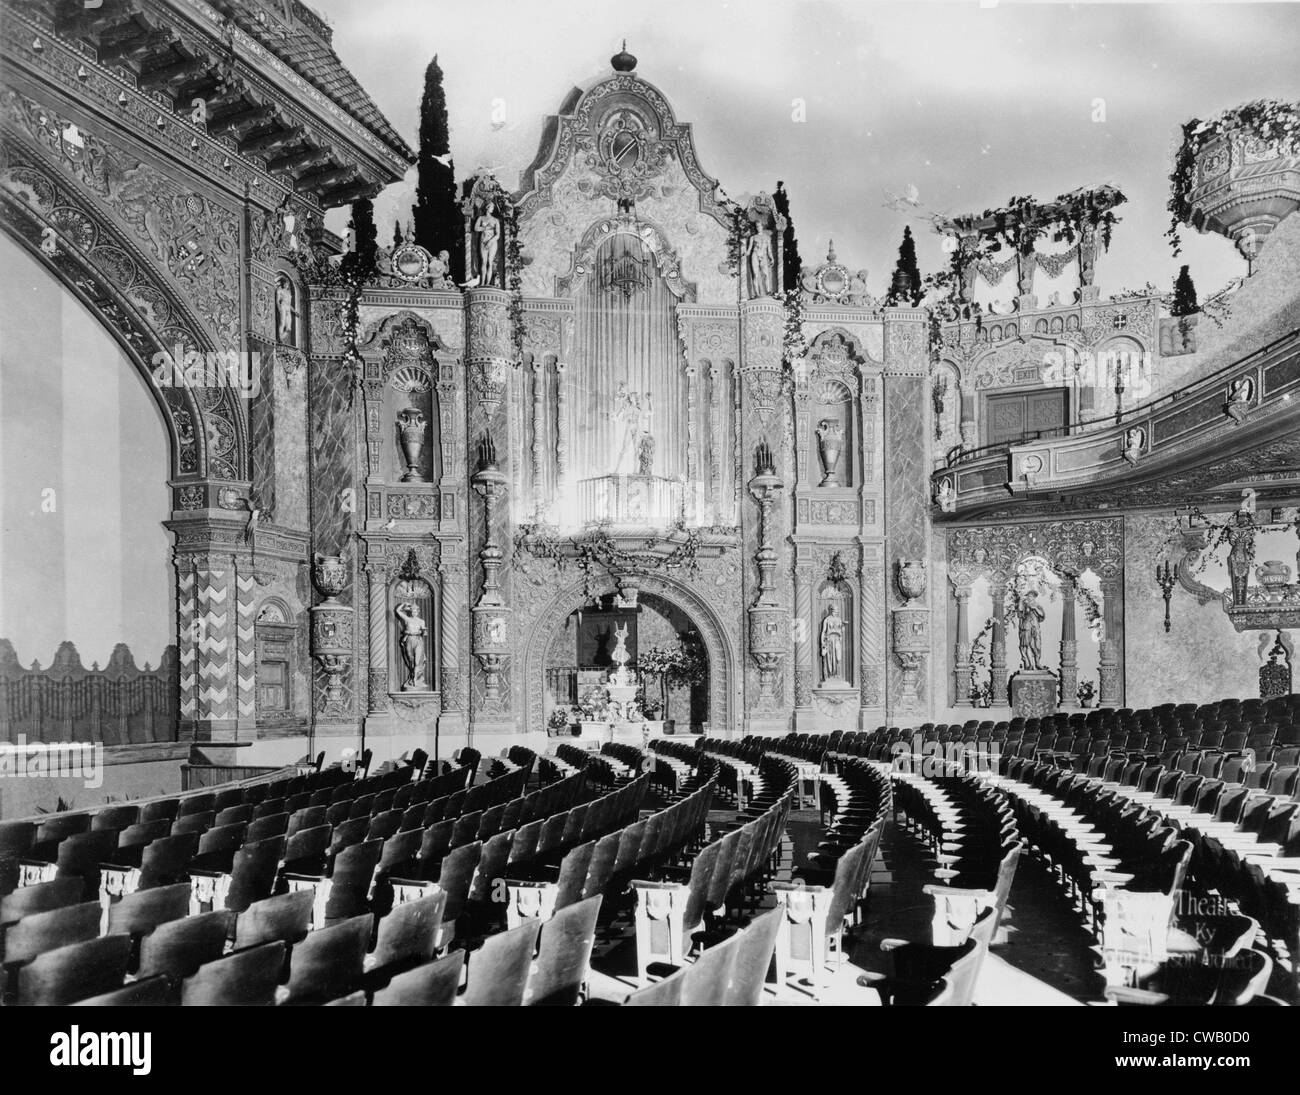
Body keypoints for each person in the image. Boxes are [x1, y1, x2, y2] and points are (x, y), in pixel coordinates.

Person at [395, 601, 427, 691]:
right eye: (412, 611)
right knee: (411, 660)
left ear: (418, 612)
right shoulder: (407, 619)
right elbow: (398, 611)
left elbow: (423, 632)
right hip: (409, 640)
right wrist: (404, 603)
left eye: (415, 611)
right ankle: (413, 677)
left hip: (418, 640)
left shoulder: (421, 621)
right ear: (410, 612)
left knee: (417, 661)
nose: (414, 613)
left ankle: (415, 680)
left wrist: (423, 632)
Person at [1016, 590, 1044, 670]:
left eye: (1030, 596)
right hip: (1027, 627)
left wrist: (1035, 608)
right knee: (1027, 645)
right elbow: (1019, 614)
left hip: (1035, 627)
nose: (1028, 597)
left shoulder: (1038, 605)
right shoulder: (1025, 605)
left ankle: (1037, 663)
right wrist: (1020, 601)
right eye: (1028, 596)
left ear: (1034, 597)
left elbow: (1042, 615)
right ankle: (1030, 664)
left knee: (1037, 646)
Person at [820, 603, 845, 681]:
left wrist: (843, 628)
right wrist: (822, 642)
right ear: (831, 611)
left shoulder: (839, 619)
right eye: (834, 611)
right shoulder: (827, 620)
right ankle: (830, 675)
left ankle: (836, 674)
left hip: (837, 640)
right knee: (830, 657)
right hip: (829, 640)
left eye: (837, 611)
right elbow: (823, 631)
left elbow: (841, 631)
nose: (836, 613)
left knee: (838, 657)